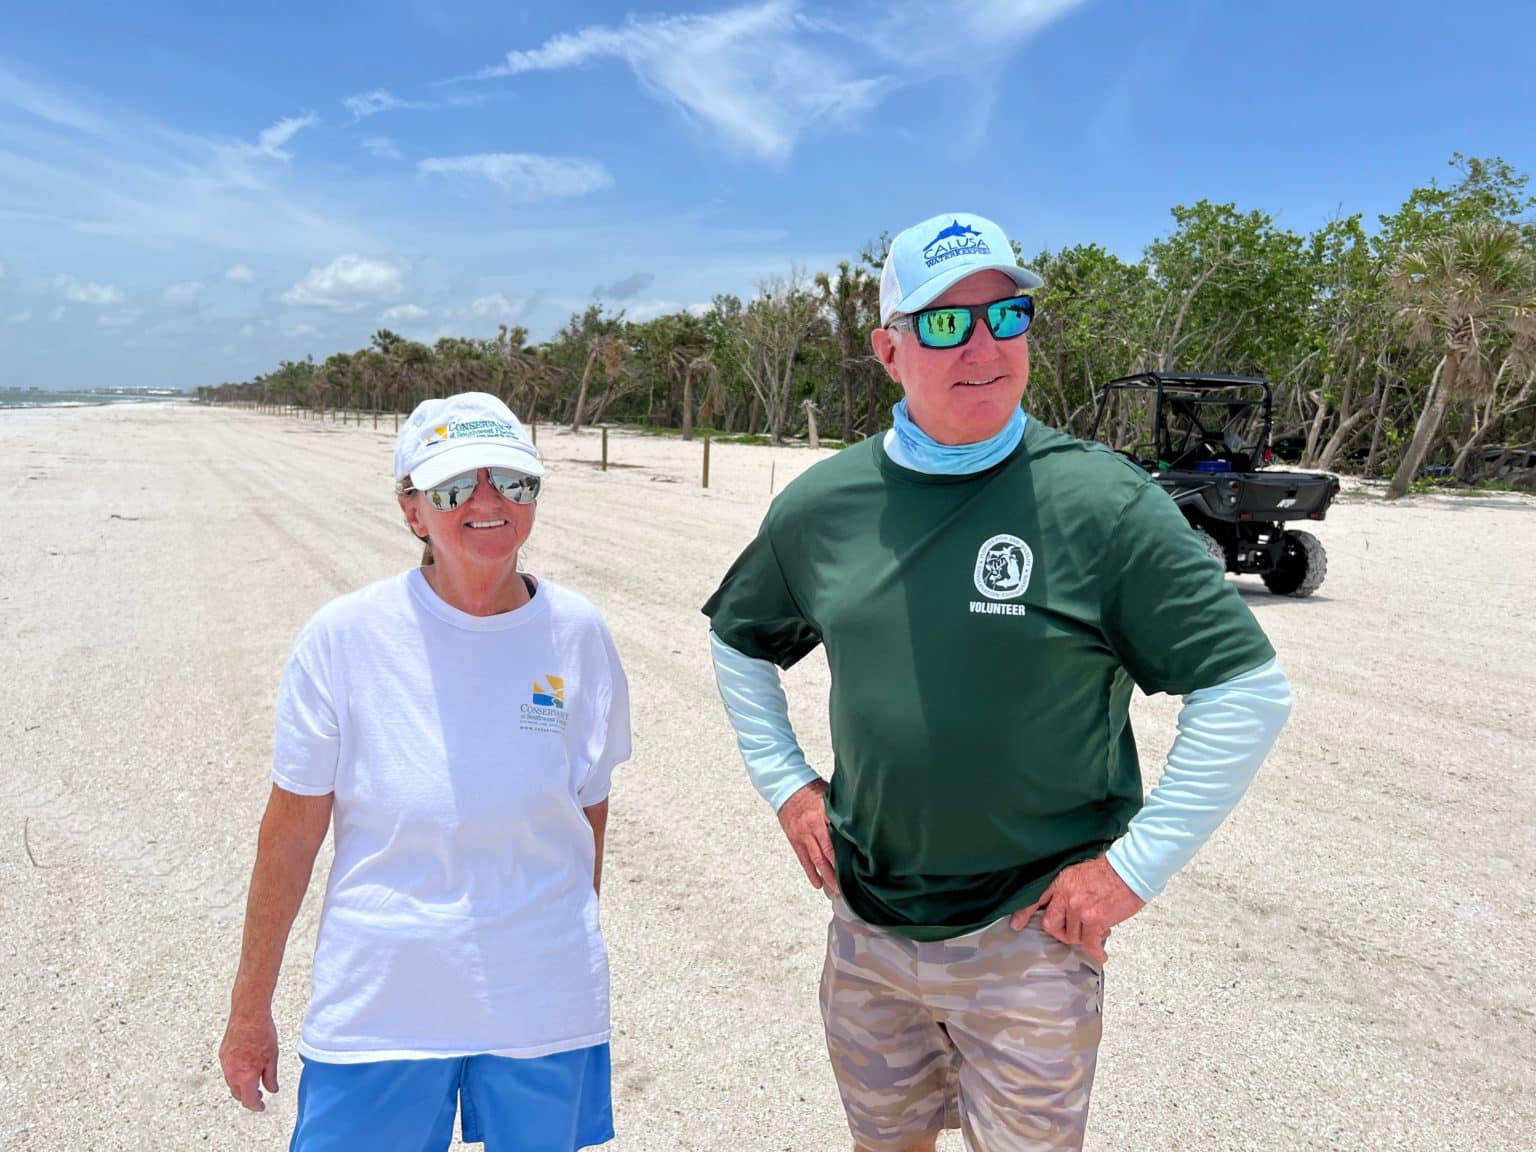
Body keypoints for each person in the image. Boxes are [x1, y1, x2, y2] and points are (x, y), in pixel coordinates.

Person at [703, 212, 1292, 1152]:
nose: (981, 346)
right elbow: (738, 641)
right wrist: (787, 787)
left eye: (1005, 316)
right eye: (945, 322)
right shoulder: (823, 506)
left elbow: (1246, 693)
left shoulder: (1103, 503)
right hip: (868, 925)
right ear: (887, 349)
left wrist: (1132, 873)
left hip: (1029, 937)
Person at [219, 392, 630, 1152]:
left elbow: (588, 813)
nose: (486, 502)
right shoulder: (343, 637)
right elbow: (290, 833)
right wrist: (251, 1011)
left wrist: (567, 946)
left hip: (543, 1007)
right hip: (381, 1006)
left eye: (512, 481)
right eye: (451, 487)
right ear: (412, 510)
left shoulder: (578, 633)